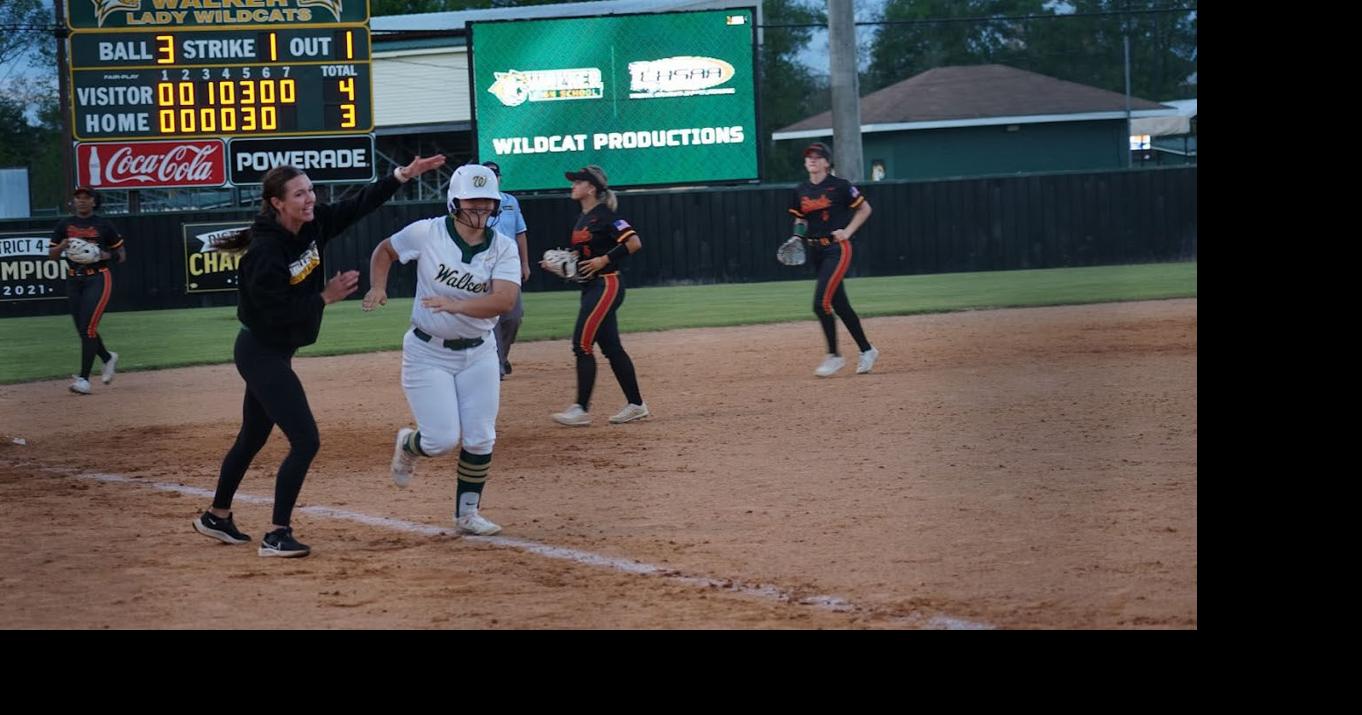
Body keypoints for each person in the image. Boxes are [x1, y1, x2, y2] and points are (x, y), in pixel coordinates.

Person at [192, 154, 447, 558]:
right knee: (305, 440)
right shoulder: (265, 251)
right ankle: (278, 534)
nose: (310, 198)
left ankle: (216, 516)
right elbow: (274, 314)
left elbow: (358, 204)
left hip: (274, 352)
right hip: (261, 351)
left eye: (311, 190)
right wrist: (325, 296)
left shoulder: (312, 225)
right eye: (299, 193)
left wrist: (402, 175)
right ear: (277, 202)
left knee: (253, 437)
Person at [363, 163, 520, 536]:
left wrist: (458, 306)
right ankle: (409, 445)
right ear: (454, 201)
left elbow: (503, 301)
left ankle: (467, 514)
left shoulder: (503, 247)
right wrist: (378, 286)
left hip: (479, 351)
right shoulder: (428, 233)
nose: (481, 210)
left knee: (481, 435)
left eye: (488, 203)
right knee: (441, 439)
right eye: (473, 201)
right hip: (427, 352)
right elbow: (385, 250)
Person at [544, 165, 648, 427]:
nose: (573, 186)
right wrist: (564, 263)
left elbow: (634, 242)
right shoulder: (582, 218)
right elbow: (584, 254)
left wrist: (605, 259)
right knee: (611, 348)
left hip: (607, 284)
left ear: (591, 188)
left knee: (582, 344)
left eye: (578, 183)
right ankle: (636, 405)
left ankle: (580, 408)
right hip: (591, 287)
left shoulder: (606, 215)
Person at [788, 142, 879, 377]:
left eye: (818, 157)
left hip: (837, 249)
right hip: (816, 251)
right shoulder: (801, 190)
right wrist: (797, 236)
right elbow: (801, 219)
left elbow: (865, 209)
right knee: (840, 305)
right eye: (809, 157)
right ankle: (867, 350)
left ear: (827, 162)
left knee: (821, 304)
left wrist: (847, 232)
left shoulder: (840, 186)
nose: (812, 160)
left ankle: (834, 355)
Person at [48, 186, 125, 395]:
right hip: (74, 280)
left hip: (98, 277)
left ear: (94, 201)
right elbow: (52, 255)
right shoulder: (65, 225)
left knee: (89, 329)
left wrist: (103, 254)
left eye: (86, 197)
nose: (82, 200)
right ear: (73, 202)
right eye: (78, 197)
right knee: (83, 330)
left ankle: (84, 380)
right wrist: (62, 245)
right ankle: (108, 358)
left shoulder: (103, 224)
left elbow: (121, 254)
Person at [481, 161, 530, 380]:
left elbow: (520, 234)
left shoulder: (511, 202)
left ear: (499, 178)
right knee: (492, 318)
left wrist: (525, 263)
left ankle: (502, 357)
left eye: (495, 175)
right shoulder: (472, 204)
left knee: (513, 316)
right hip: (482, 266)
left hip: (508, 266)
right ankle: (496, 364)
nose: (493, 178)